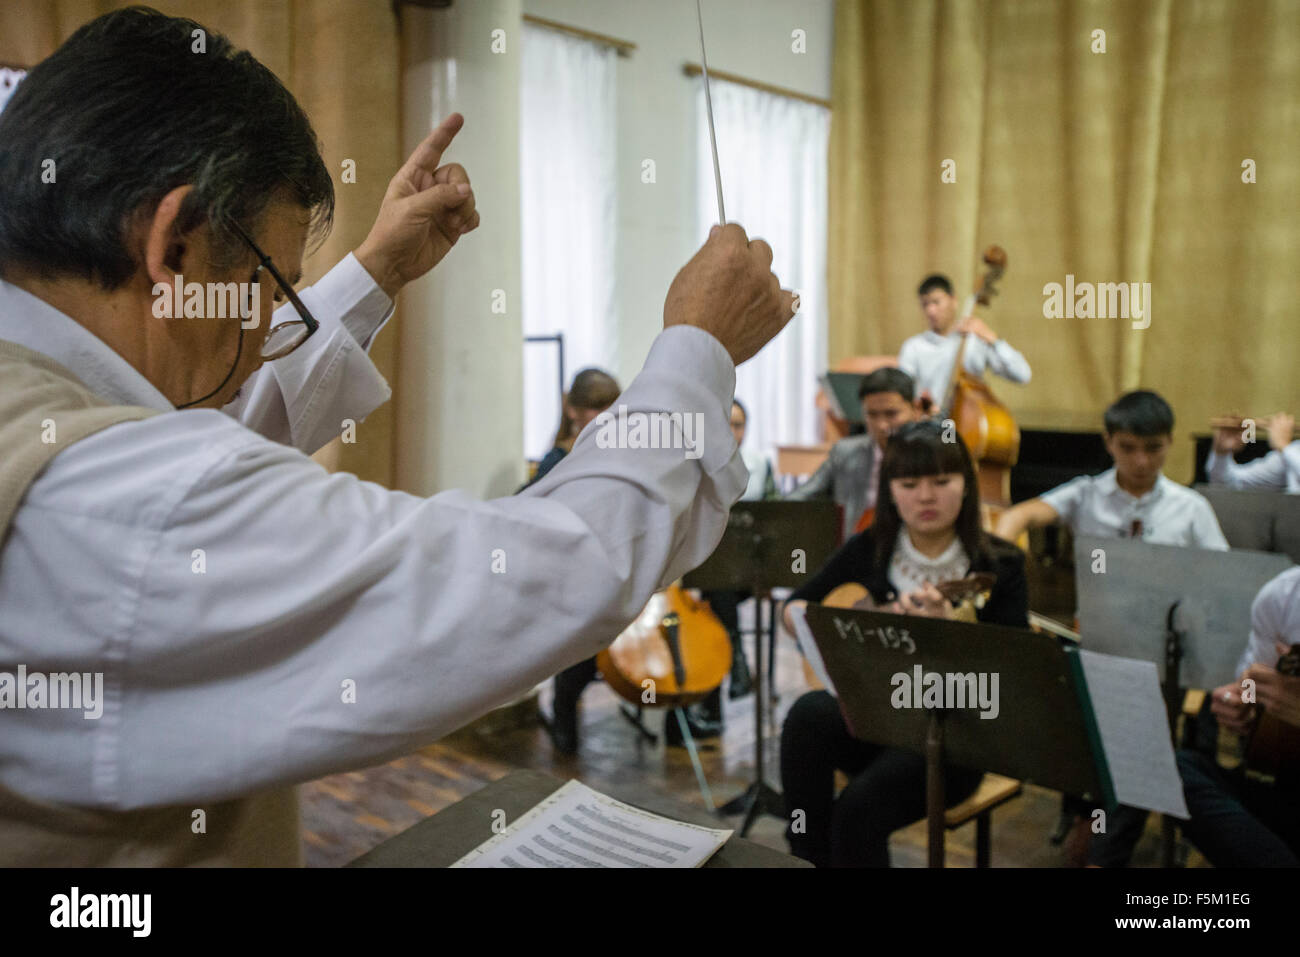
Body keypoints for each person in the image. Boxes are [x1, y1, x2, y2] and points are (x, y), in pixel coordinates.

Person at [0, 8, 796, 865]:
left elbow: (217, 425)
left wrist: (377, 269)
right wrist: (697, 350)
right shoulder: (114, 501)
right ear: (178, 245)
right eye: (271, 283)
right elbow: (550, 568)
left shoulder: (54, 408)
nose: (272, 323)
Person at [779, 420, 1029, 867]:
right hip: (878, 719)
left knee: (857, 811)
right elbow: (797, 607)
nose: (926, 496)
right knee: (807, 715)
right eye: (909, 483)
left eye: (942, 481)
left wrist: (946, 633)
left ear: (966, 486)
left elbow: (1012, 676)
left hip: (955, 736)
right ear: (891, 490)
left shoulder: (1001, 564)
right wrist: (854, 629)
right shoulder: (871, 548)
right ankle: (806, 858)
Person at [1089, 566, 1300, 867]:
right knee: (1175, 770)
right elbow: (1252, 684)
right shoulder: (1283, 597)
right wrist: (1243, 704)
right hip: (1287, 788)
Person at [995, 390, 1229, 550]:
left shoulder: (1192, 507)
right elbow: (1020, 515)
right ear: (1109, 442)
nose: (1141, 461)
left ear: (1169, 441)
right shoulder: (1085, 493)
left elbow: (1223, 571)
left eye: (1153, 448)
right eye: (1128, 448)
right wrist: (1001, 549)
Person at [787, 368, 921, 540]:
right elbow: (802, 497)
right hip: (855, 551)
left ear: (915, 409)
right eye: (872, 415)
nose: (882, 426)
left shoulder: (931, 455)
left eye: (891, 414)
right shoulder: (845, 452)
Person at [897, 274, 1031, 412]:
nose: (930, 311)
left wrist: (991, 337)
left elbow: (1022, 375)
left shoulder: (974, 340)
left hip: (969, 425)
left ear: (953, 300)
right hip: (929, 426)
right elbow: (901, 394)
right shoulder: (913, 346)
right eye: (925, 304)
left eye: (936, 302)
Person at [523, 367, 621, 490]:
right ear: (572, 410)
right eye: (597, 407)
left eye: (614, 407)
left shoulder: (619, 452)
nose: (608, 414)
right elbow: (526, 498)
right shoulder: (558, 460)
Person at [1208, 411, 1300, 493]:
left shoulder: (1289, 451)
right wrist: (1221, 454)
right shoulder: (1292, 452)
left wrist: (1284, 446)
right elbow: (1231, 483)